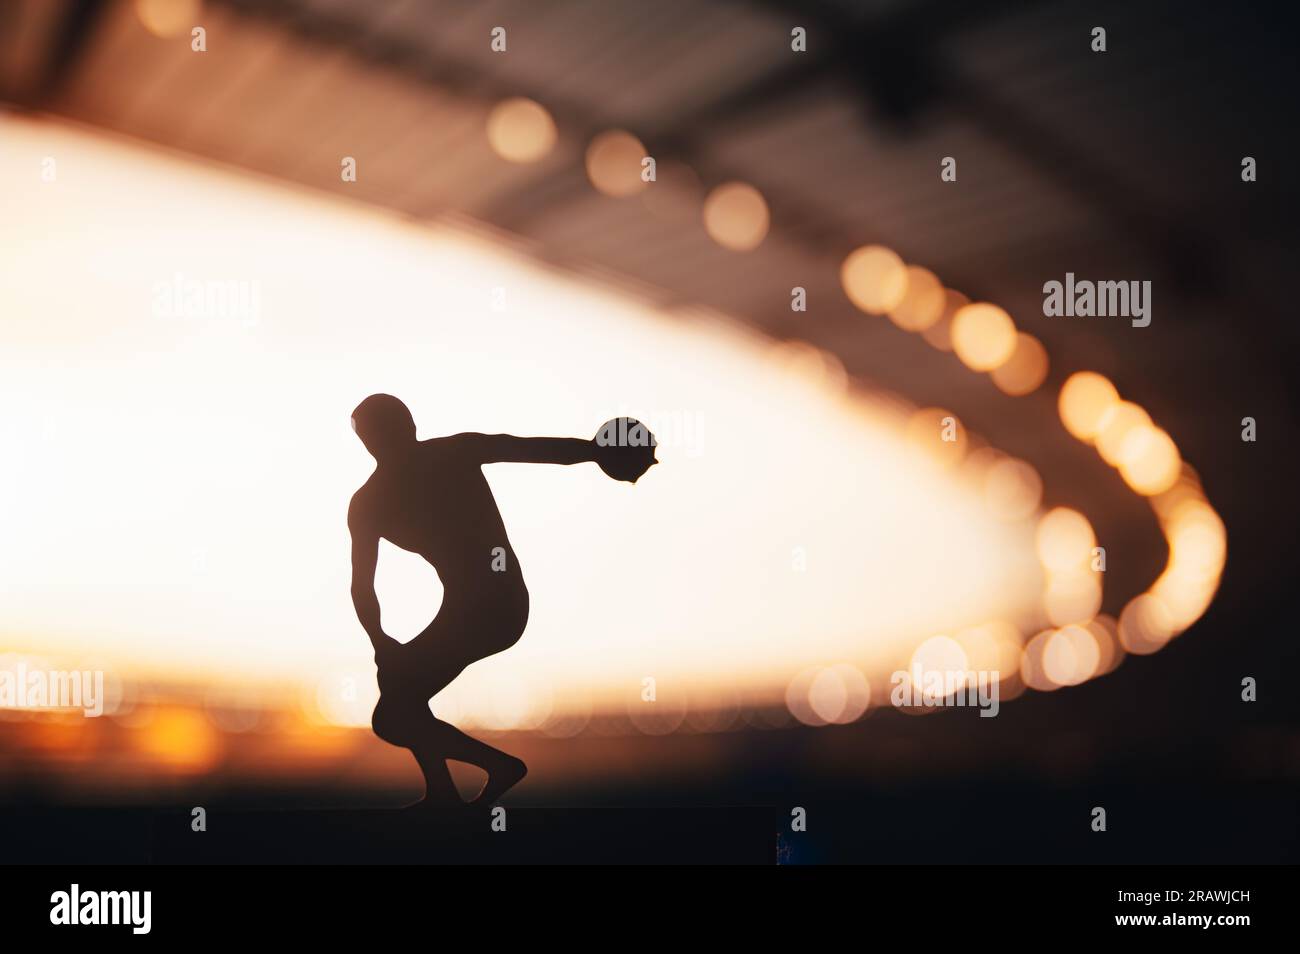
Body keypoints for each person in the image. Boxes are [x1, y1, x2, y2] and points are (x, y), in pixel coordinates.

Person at [346, 394, 655, 809]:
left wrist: (596, 451)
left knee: (395, 709)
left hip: (497, 606)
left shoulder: (383, 494)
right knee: (397, 705)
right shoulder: (378, 497)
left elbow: (532, 449)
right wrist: (382, 643)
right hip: (479, 607)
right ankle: (450, 789)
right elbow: (362, 588)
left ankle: (491, 771)